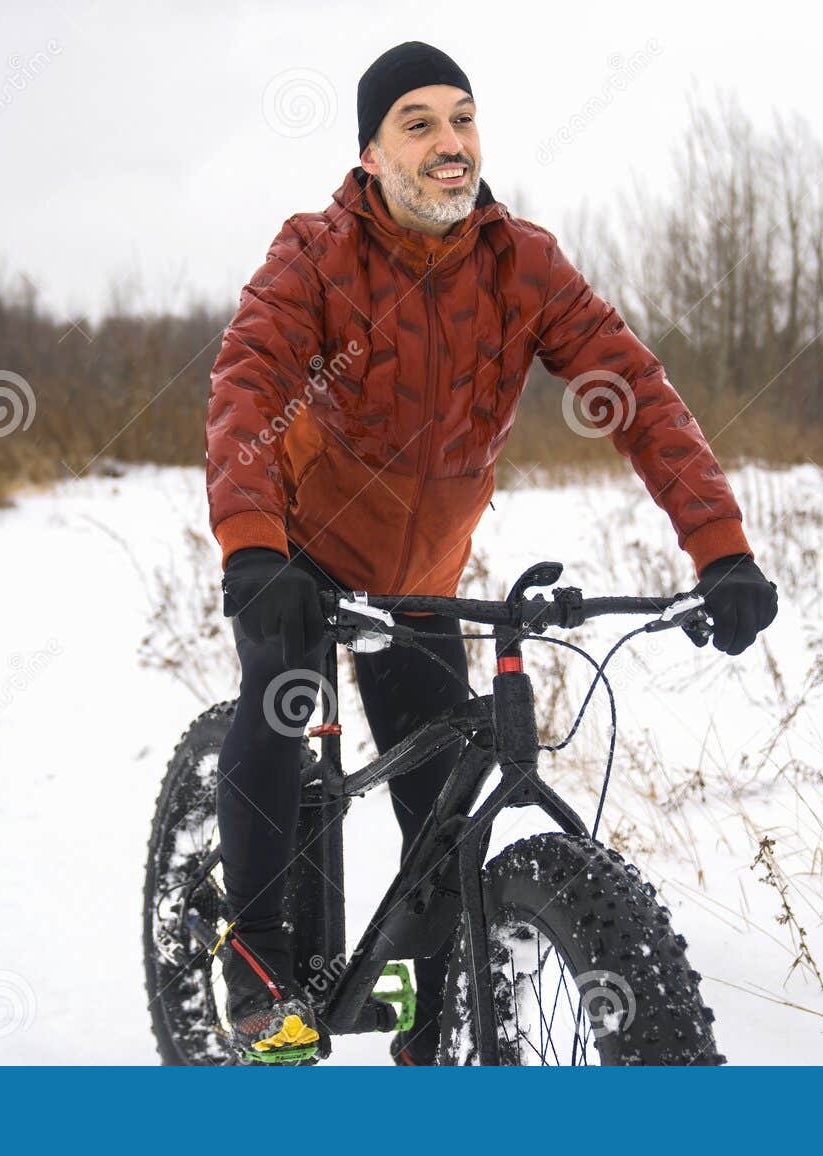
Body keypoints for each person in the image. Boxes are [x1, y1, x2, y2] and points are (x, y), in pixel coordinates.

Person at [203, 40, 779, 1064]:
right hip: (305, 556)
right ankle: (257, 962)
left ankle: (437, 1024)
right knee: (282, 700)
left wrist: (720, 549)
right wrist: (254, 548)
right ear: (371, 154)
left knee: (442, 810)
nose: (449, 142)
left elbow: (634, 394)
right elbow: (248, 385)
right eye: (416, 123)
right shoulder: (314, 254)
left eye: (461, 118)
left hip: (424, 576)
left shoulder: (521, 264)